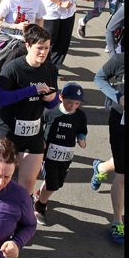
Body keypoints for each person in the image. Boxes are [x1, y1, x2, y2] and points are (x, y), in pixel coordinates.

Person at [0, 24, 60, 193]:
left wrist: (51, 98)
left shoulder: (50, 69)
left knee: (27, 184)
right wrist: (31, 90)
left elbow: (52, 102)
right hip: (7, 131)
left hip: (33, 132)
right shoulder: (14, 68)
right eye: (39, 48)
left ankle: (20, 218)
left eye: (47, 48)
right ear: (28, 45)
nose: (43, 53)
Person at [32, 83, 88, 225]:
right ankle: (40, 207)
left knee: (58, 183)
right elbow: (38, 123)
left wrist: (81, 138)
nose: (72, 106)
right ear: (61, 97)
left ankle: (40, 194)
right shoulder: (50, 111)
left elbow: (82, 130)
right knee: (52, 184)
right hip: (48, 153)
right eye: (69, 102)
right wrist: (40, 139)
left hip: (66, 154)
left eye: (77, 103)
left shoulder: (80, 116)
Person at [93, 51, 125, 244]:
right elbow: (99, 78)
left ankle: (101, 168)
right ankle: (117, 222)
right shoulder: (120, 59)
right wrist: (117, 96)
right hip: (121, 122)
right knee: (122, 174)